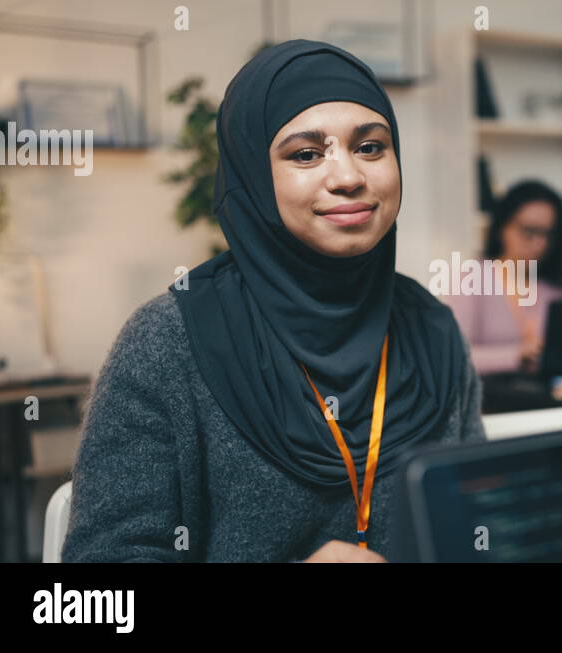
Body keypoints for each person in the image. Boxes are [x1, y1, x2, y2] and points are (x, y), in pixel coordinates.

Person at [61, 40, 485, 563]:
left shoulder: (431, 327)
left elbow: (477, 528)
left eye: (371, 147)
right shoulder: (169, 342)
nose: (349, 176)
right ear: (254, 176)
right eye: (306, 154)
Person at [448, 180, 562, 375]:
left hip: (553, 396)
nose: (539, 244)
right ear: (502, 229)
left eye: (548, 234)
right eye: (529, 231)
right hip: (492, 400)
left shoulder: (561, 285)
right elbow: (454, 356)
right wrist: (517, 355)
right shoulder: (472, 278)